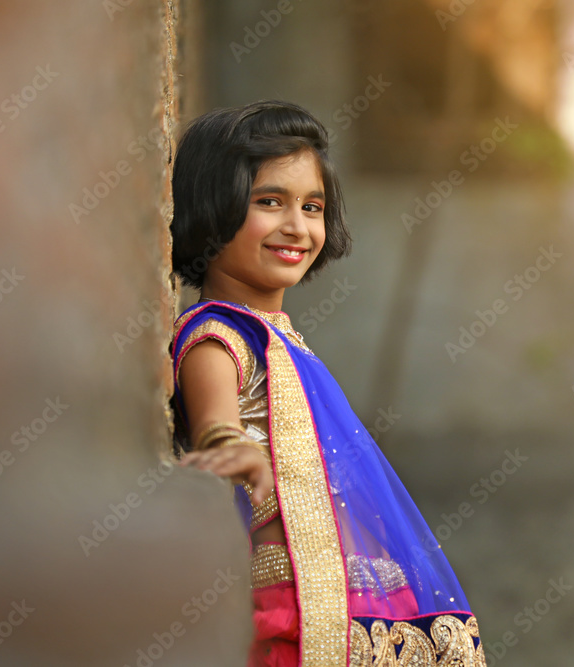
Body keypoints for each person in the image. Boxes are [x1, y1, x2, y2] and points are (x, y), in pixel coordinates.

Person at [168, 100, 485, 667]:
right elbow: (217, 417)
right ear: (213, 205)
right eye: (270, 202)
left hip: (345, 600)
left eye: (312, 206)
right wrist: (227, 445)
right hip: (291, 608)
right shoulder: (220, 334)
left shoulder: (282, 338)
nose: (297, 226)